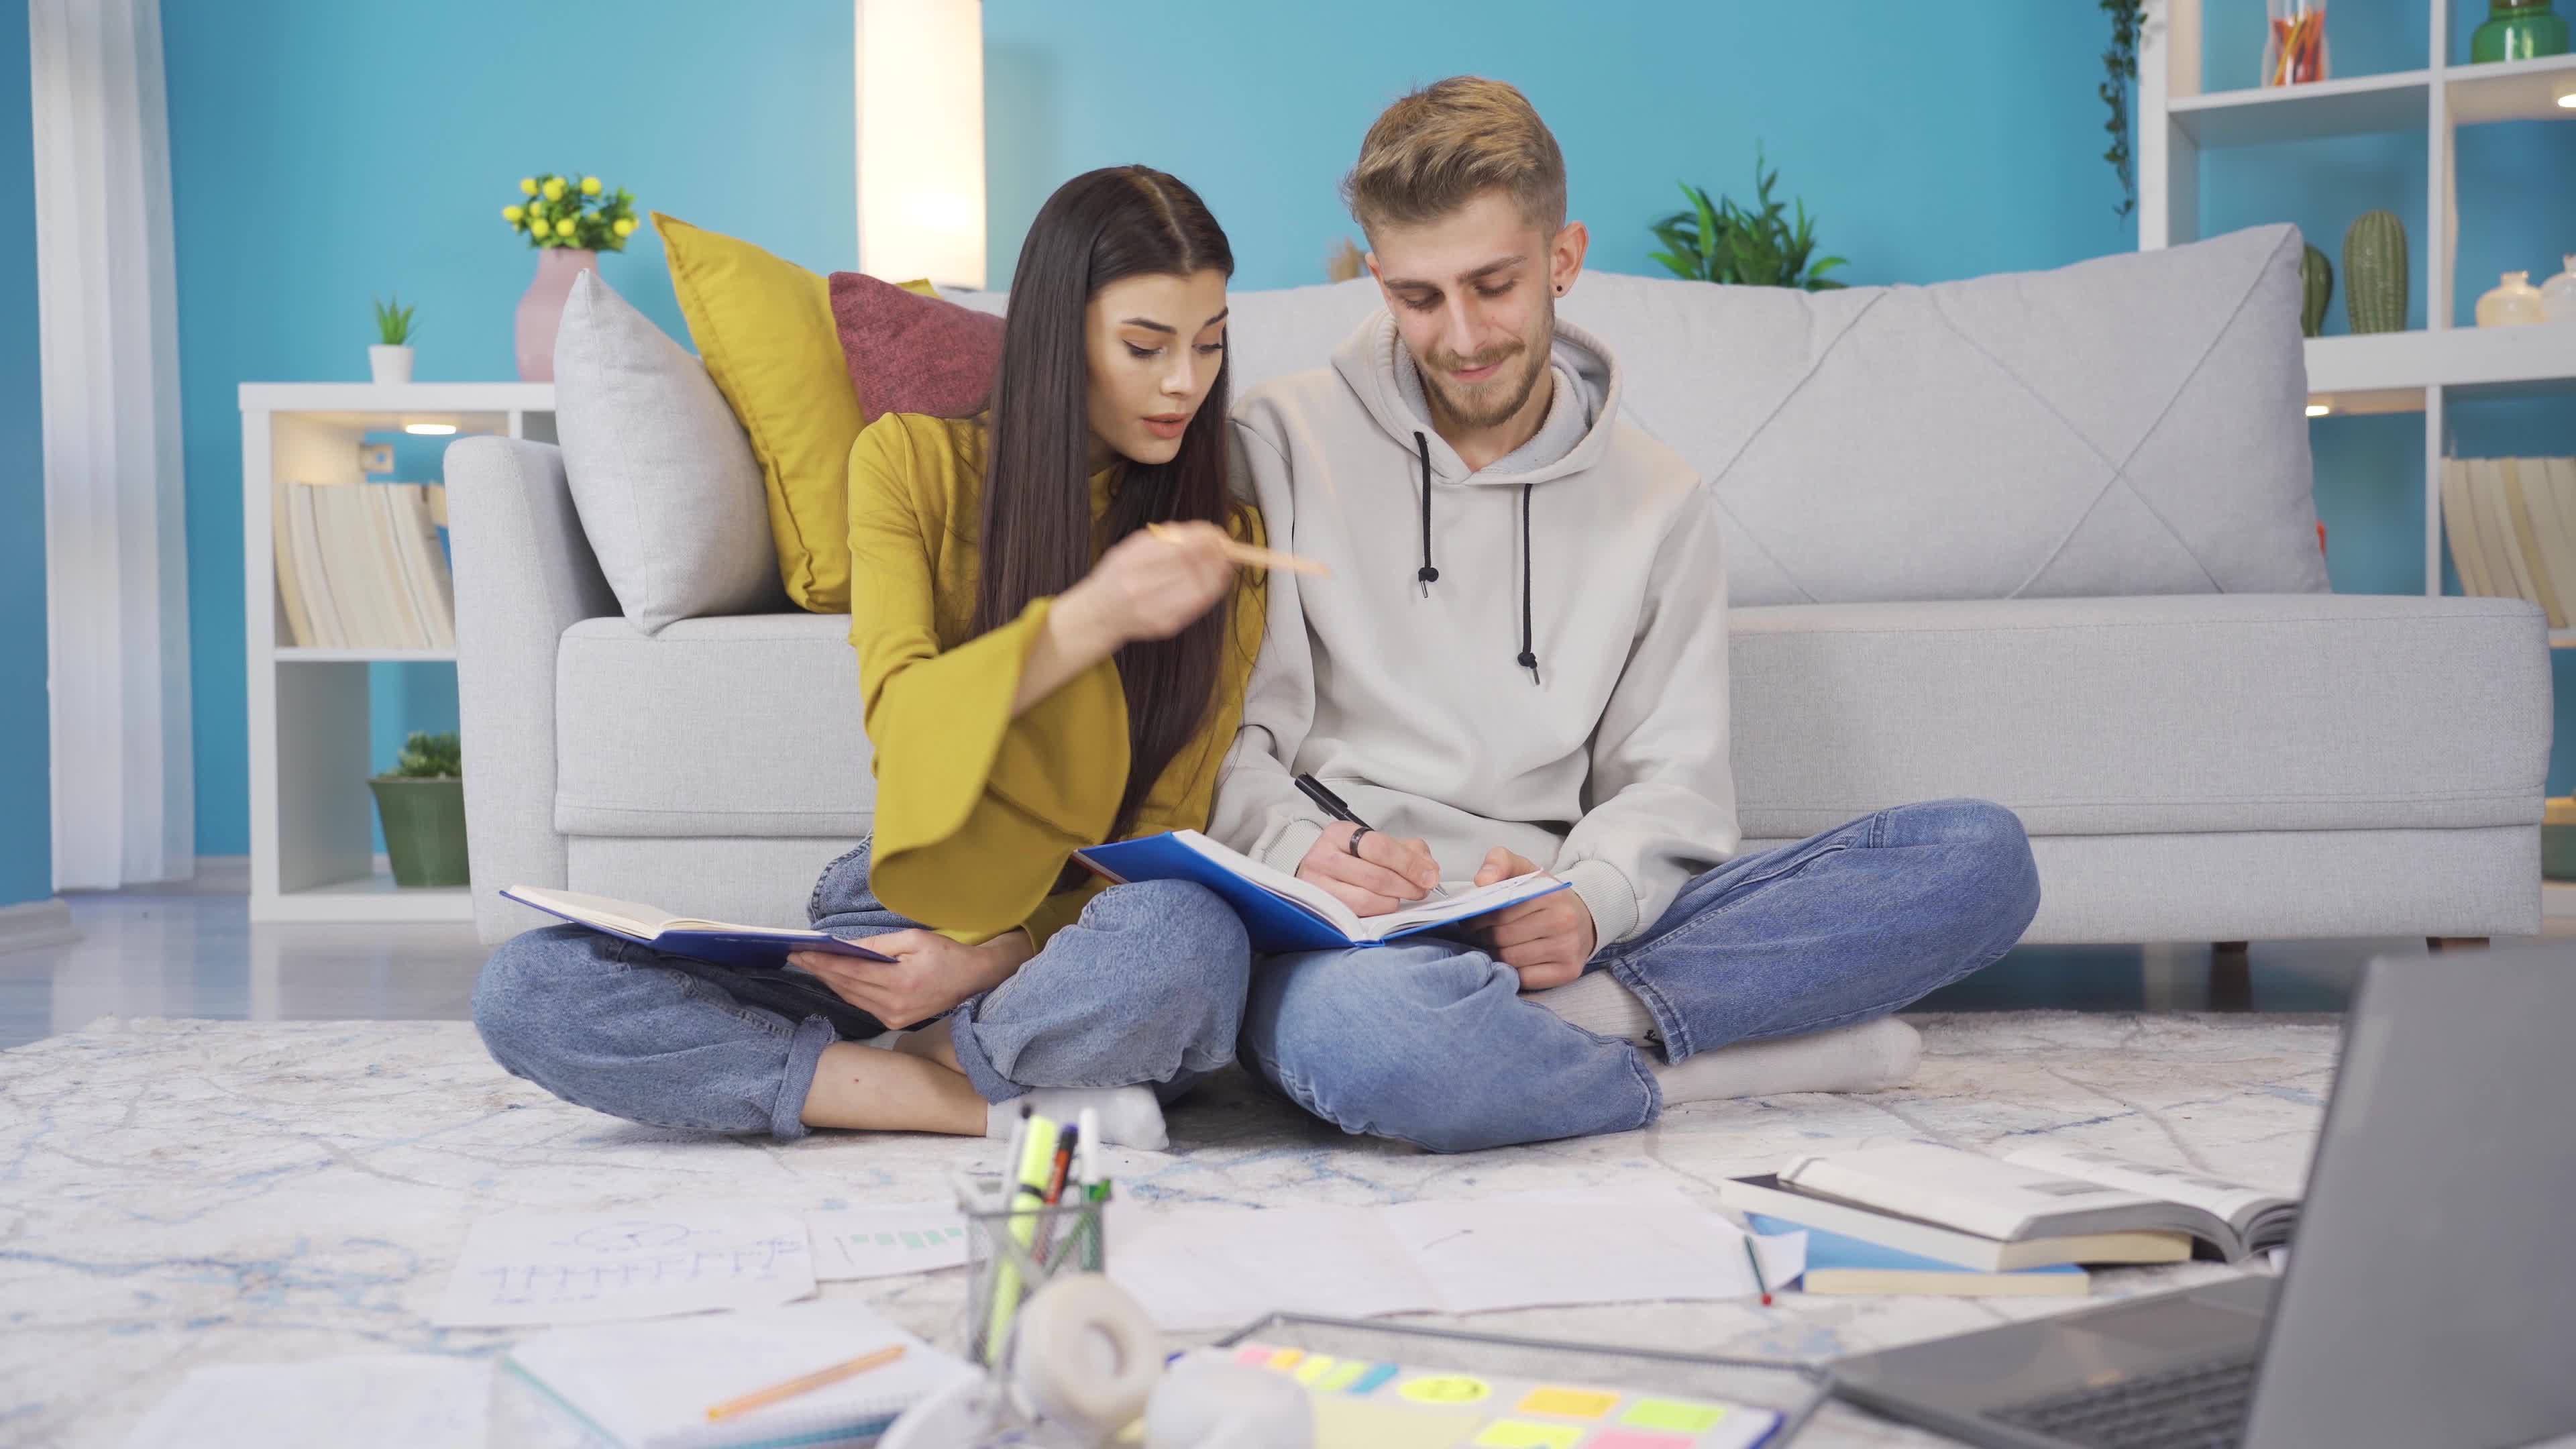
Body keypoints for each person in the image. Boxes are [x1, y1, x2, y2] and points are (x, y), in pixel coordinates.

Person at [1210, 79, 2043, 1154]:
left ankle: (1570, 1025)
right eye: (1418, 297)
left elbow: (1672, 784)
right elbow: (1226, 740)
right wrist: (1305, 848)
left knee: (1980, 860)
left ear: (1563, 259)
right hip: (1353, 938)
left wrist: (1589, 902)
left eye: (1493, 285)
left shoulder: (1661, 499)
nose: (1460, 336)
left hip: (1562, 927)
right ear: (1375, 277)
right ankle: (1687, 1064)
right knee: (1384, 1040)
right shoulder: (1274, 442)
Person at [475, 166, 1265, 1149]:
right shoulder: (908, 466)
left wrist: (993, 958)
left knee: (1191, 938)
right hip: (900, 902)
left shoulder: (1221, 542)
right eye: (1145, 347)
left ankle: (883, 1066)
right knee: (529, 986)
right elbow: (903, 720)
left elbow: (1167, 829)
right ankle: (967, 1100)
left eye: (1210, 345)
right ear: (1062, 339)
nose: (1184, 383)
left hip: (1065, 938)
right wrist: (1084, 623)